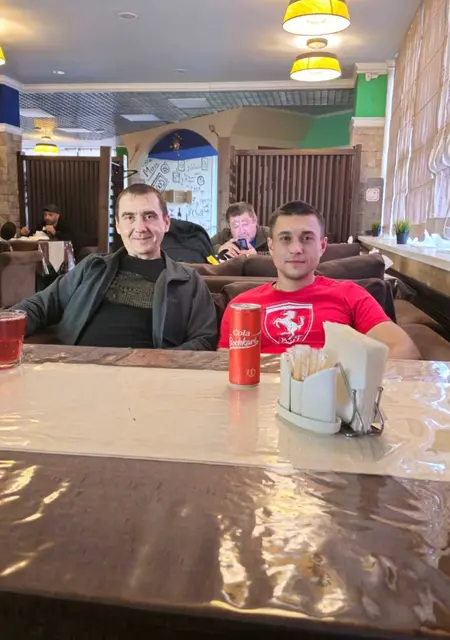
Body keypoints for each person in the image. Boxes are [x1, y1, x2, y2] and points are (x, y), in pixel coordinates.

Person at [14, 184, 218, 350]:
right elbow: (40, 306)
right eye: (129, 217)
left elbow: (204, 339)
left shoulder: (188, 281)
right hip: (77, 370)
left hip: (149, 379)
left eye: (149, 216)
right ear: (118, 226)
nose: (140, 228)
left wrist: (161, 364)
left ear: (166, 223)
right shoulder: (93, 267)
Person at [218, 200, 419, 359]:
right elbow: (224, 365)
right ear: (271, 246)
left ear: (322, 246)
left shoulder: (350, 295)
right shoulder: (241, 306)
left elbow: (404, 350)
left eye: (307, 238)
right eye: (285, 238)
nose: (296, 249)